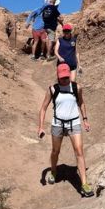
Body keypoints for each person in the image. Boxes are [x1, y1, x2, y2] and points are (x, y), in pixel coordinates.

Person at [38, 63, 94, 197]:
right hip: (57, 124)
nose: (64, 80)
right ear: (58, 76)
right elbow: (43, 108)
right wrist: (40, 126)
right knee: (55, 151)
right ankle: (53, 171)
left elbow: (81, 102)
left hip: (74, 123)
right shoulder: (53, 89)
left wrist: (85, 119)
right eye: (62, 78)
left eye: (66, 77)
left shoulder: (76, 87)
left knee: (79, 151)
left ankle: (84, 184)